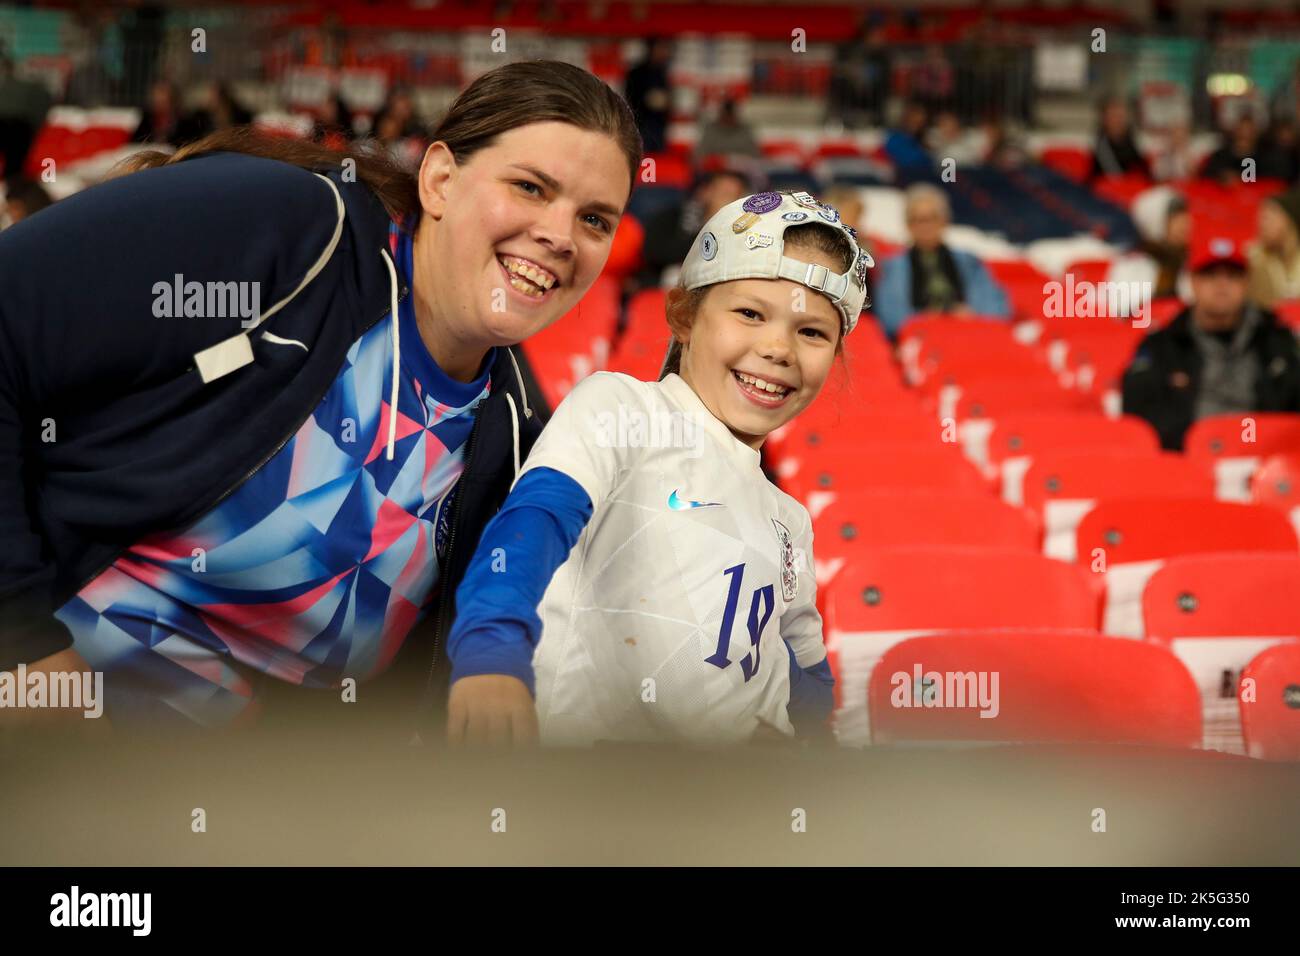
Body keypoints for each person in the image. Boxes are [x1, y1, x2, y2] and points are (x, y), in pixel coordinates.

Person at [0, 60, 642, 732]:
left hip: (220, 814)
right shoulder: (289, 227)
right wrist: (19, 646)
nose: (561, 236)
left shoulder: (511, 438)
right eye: (531, 187)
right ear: (441, 179)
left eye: (595, 219)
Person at [444, 189, 869, 746]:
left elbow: (806, 673)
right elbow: (536, 520)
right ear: (684, 315)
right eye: (749, 313)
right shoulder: (622, 409)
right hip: (592, 799)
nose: (778, 348)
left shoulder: (790, 519)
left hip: (730, 815)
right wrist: (492, 654)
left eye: (811, 332)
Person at [1122, 234, 1300, 450]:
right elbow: (1138, 413)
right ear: (1193, 281)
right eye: (1210, 275)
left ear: (1246, 282)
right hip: (1189, 461)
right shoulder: (1163, 344)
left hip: (1266, 457)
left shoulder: (1276, 339)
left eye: (1232, 275)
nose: (1221, 284)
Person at [871, 183, 1010, 337]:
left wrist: (969, 315)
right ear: (908, 225)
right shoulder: (893, 266)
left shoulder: (969, 262)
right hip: (922, 339)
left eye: (932, 218)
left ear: (944, 221)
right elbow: (891, 318)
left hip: (969, 334)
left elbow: (998, 310)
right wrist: (930, 319)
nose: (925, 226)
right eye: (918, 220)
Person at [637, 167, 750, 288]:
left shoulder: (744, 228)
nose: (725, 201)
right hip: (663, 284)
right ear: (704, 192)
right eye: (722, 193)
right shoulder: (673, 216)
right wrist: (711, 223)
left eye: (733, 196)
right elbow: (654, 253)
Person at [1248, 189, 1300, 308]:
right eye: (1260, 218)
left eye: (1268, 218)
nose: (1261, 224)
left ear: (1289, 221)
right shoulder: (1253, 259)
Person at [623, 36, 673, 154]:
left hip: (659, 126)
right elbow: (629, 98)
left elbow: (667, 98)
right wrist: (648, 100)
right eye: (661, 48)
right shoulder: (636, 72)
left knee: (658, 162)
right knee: (641, 159)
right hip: (641, 125)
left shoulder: (662, 72)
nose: (664, 53)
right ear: (651, 49)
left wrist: (666, 102)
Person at [1089, 96, 1151, 180]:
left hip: (1132, 186)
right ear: (1105, 119)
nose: (1118, 121)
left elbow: (1145, 171)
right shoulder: (1100, 144)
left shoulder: (1132, 140)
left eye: (1121, 116)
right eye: (1114, 116)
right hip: (1107, 187)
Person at [695, 96, 760, 161]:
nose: (728, 119)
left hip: (741, 169)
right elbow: (699, 156)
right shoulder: (710, 130)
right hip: (714, 169)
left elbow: (756, 156)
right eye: (725, 115)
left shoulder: (745, 131)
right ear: (720, 114)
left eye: (730, 116)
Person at [1201, 116, 1260, 186]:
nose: (1244, 135)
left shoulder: (1264, 159)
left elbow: (1269, 183)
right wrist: (1222, 177)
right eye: (1241, 131)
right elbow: (1204, 179)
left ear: (1255, 134)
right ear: (1234, 132)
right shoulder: (1220, 156)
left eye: (1249, 132)